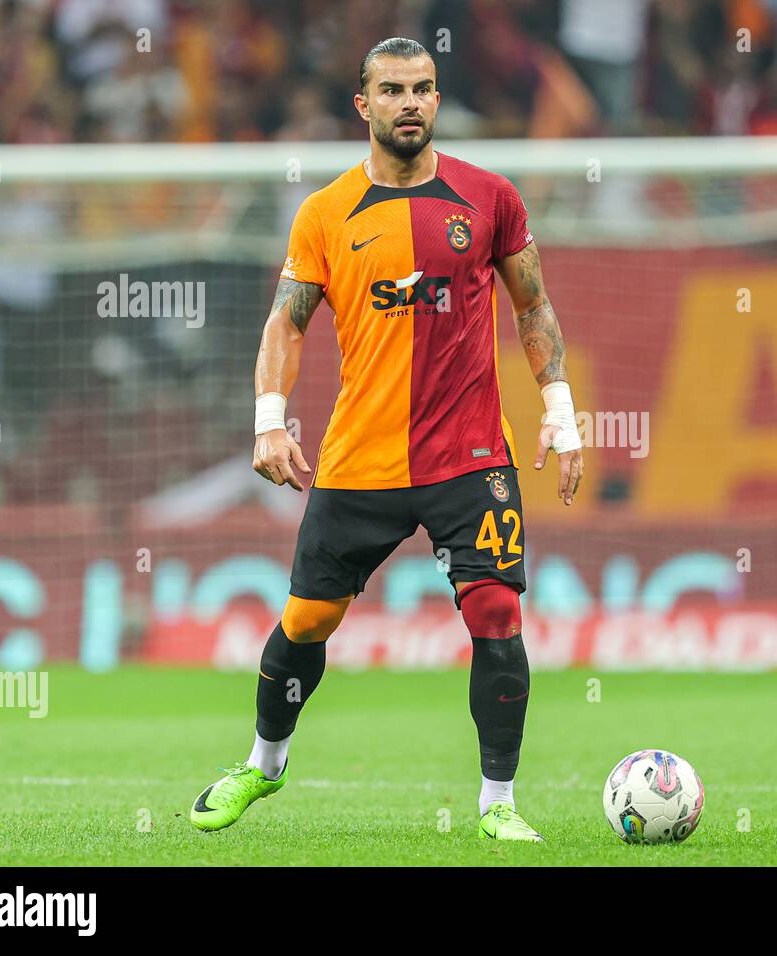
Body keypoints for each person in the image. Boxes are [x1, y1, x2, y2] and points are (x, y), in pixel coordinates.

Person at [189, 38, 584, 842]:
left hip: (472, 456)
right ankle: (263, 766)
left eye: (425, 89)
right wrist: (268, 419)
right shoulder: (326, 213)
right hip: (361, 459)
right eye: (393, 90)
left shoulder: (490, 198)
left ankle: (497, 803)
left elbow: (533, 308)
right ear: (363, 106)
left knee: (498, 613)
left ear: (438, 102)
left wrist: (562, 412)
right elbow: (286, 322)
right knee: (306, 623)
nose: (411, 102)